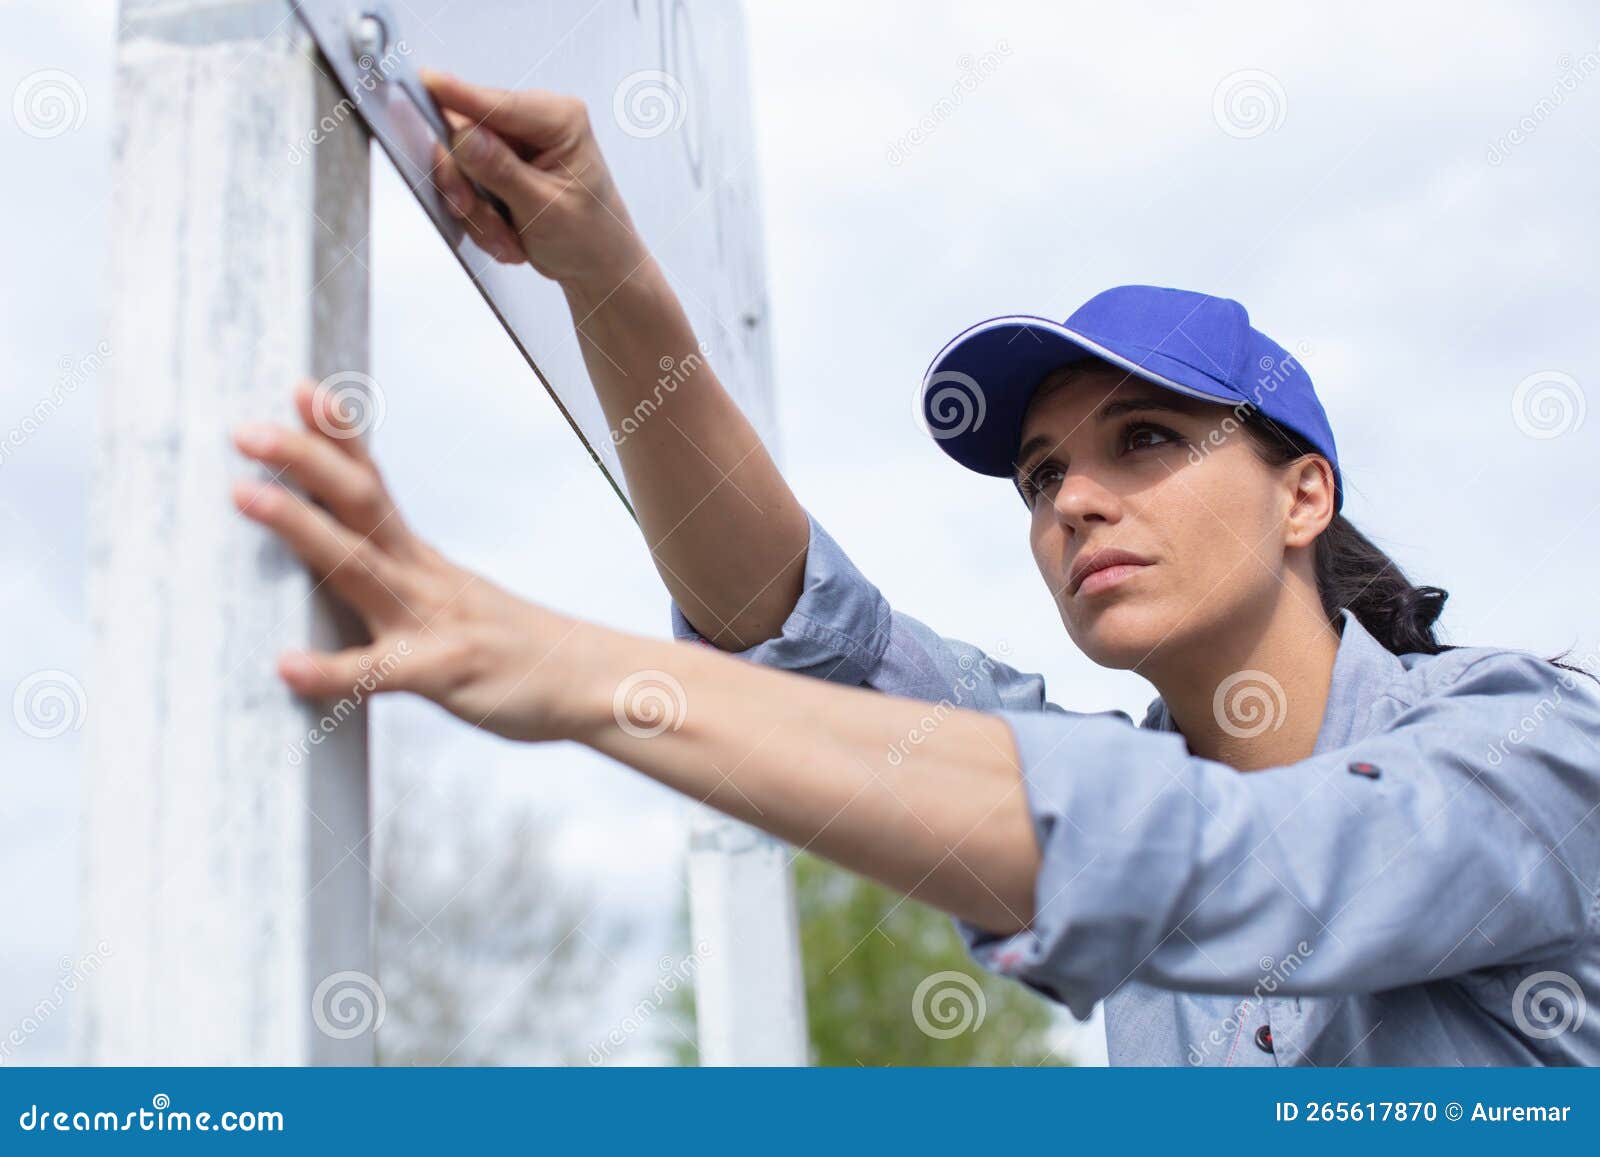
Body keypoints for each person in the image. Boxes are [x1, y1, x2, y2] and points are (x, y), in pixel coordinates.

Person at [227, 71, 1600, 1066]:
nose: (1076, 500)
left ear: (1305, 491)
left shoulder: (1532, 746)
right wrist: (604, 270)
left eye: (1147, 437)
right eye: (1043, 474)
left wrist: (571, 667)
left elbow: (1249, 864)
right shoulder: (1126, 768)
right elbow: (797, 632)